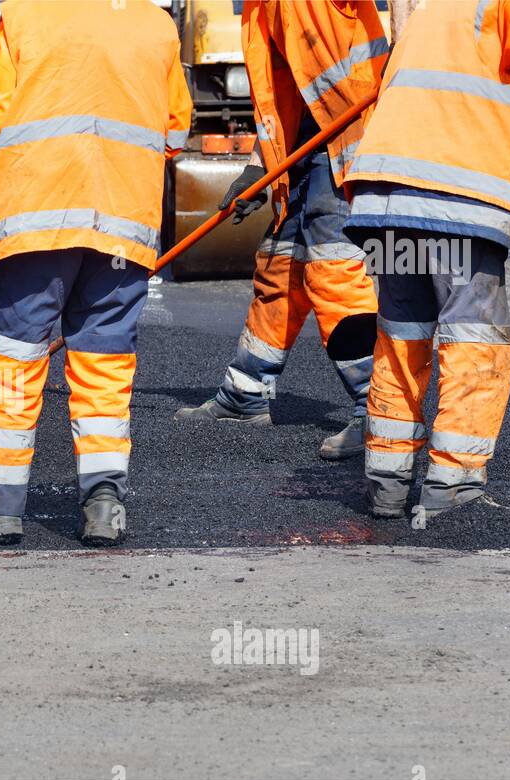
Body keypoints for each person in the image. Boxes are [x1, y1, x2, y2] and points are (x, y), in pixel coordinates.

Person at [344, 0, 510, 519]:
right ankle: (452, 483)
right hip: (456, 196)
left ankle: (388, 483)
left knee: (402, 334)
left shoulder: (435, 10)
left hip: (387, 196)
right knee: (472, 334)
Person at [0, 0, 192, 546]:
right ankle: (104, 505)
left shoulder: (25, 16)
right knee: (105, 359)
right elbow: (175, 132)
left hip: (39, 217)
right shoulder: (157, 23)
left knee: (16, 353)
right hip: (124, 222)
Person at [174, 0, 387, 463]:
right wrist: (258, 170)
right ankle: (245, 392)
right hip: (304, 149)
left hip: (353, 141)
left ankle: (378, 406)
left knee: (334, 269)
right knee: (281, 262)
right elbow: (284, 99)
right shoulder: (256, 10)